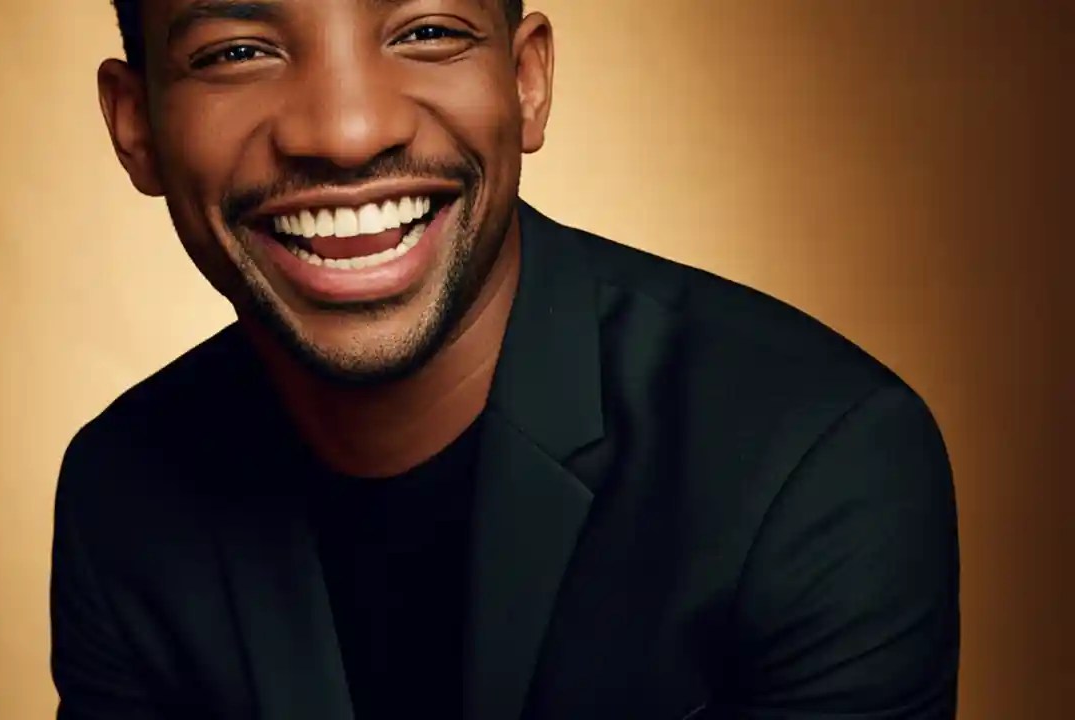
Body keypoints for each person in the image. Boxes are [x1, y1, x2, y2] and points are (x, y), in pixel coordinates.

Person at [50, 1, 960, 718]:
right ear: (136, 126)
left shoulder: (818, 467)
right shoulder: (121, 490)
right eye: (236, 51)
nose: (346, 129)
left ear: (525, 82)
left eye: (428, 31)